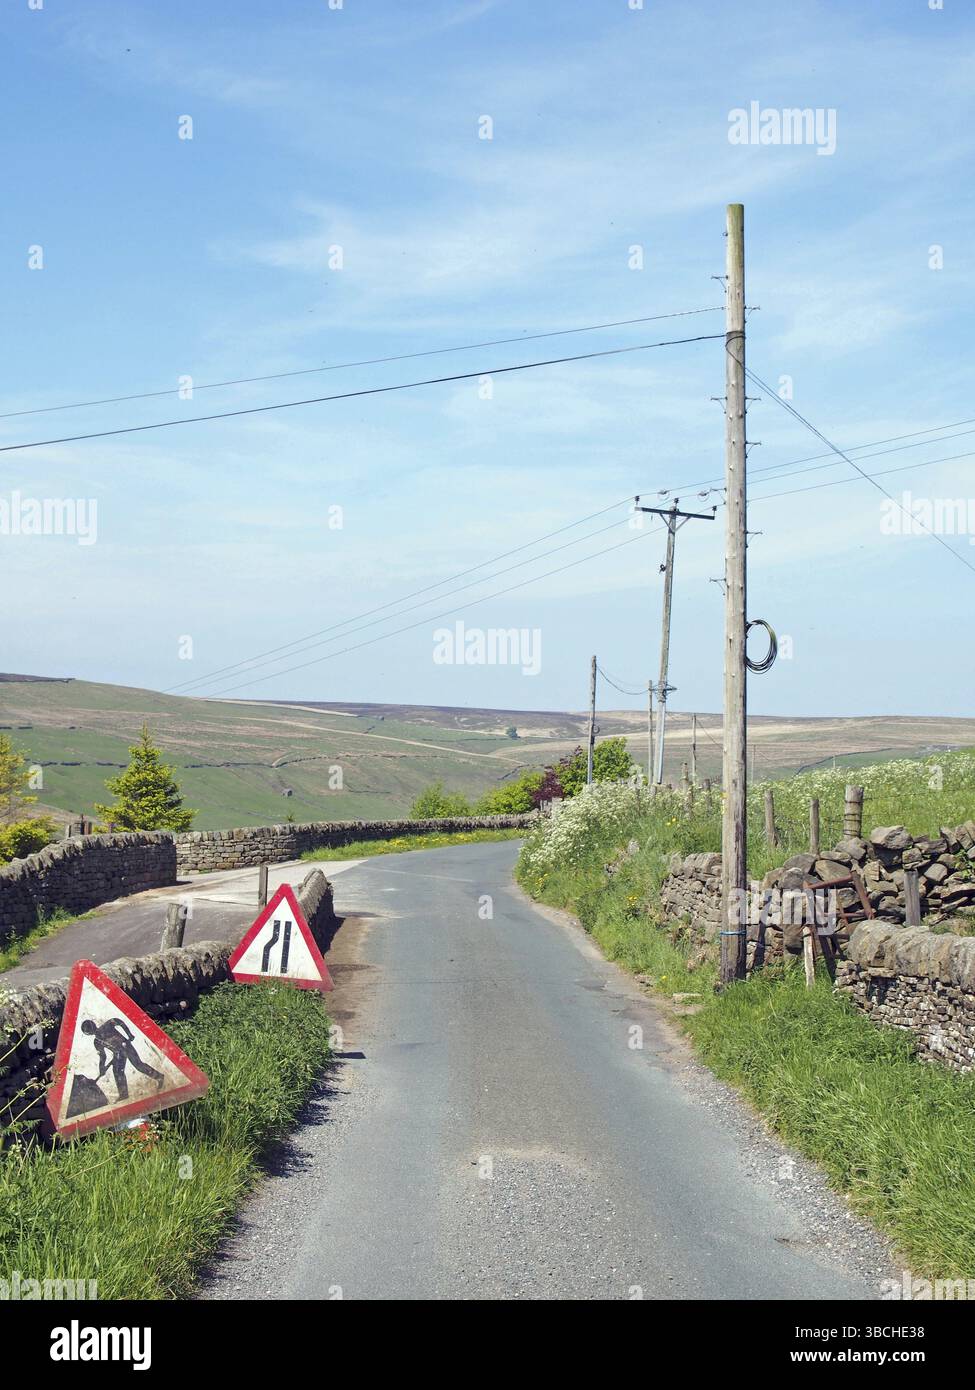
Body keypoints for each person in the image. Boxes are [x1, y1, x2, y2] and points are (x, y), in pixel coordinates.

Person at [80, 1016, 165, 1102]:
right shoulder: (97, 1042)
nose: (92, 1031)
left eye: (90, 1029)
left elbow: (118, 1021)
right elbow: (103, 1056)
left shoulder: (107, 1026)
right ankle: (123, 1094)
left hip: (126, 1046)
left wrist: (129, 1034)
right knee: (117, 1072)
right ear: (89, 1034)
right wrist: (101, 1068)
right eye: (89, 1031)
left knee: (138, 1065)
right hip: (118, 1054)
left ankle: (159, 1076)